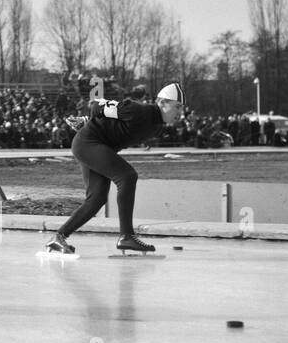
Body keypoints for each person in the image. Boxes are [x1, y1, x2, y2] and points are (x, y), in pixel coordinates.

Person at [46, 83, 184, 255]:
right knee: (127, 176)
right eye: (177, 106)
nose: (180, 112)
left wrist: (90, 122)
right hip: (89, 143)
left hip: (97, 146)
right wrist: (87, 120)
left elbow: (114, 123)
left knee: (96, 199)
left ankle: (58, 237)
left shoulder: (157, 127)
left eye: (182, 108)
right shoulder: (138, 111)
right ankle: (126, 236)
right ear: (162, 103)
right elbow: (97, 105)